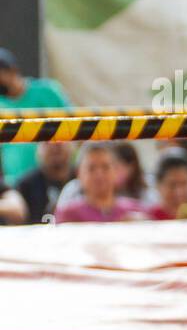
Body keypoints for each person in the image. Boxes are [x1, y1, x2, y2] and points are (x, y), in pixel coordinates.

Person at [0, 48, 72, 186]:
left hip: (54, 178)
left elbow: (74, 129)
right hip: (15, 182)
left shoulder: (48, 91)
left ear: (12, 71)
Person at [53, 142, 155, 223]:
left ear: (116, 171)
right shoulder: (68, 214)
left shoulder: (136, 210)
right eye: (91, 168)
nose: (99, 175)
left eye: (105, 167)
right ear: (79, 173)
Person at [14, 142, 73, 224]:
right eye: (47, 143)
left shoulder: (81, 180)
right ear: (39, 149)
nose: (54, 147)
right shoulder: (25, 185)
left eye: (60, 142)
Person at [153, 150, 187, 220]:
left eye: (184, 183)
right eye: (172, 185)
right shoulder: (149, 218)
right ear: (158, 185)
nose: (179, 192)